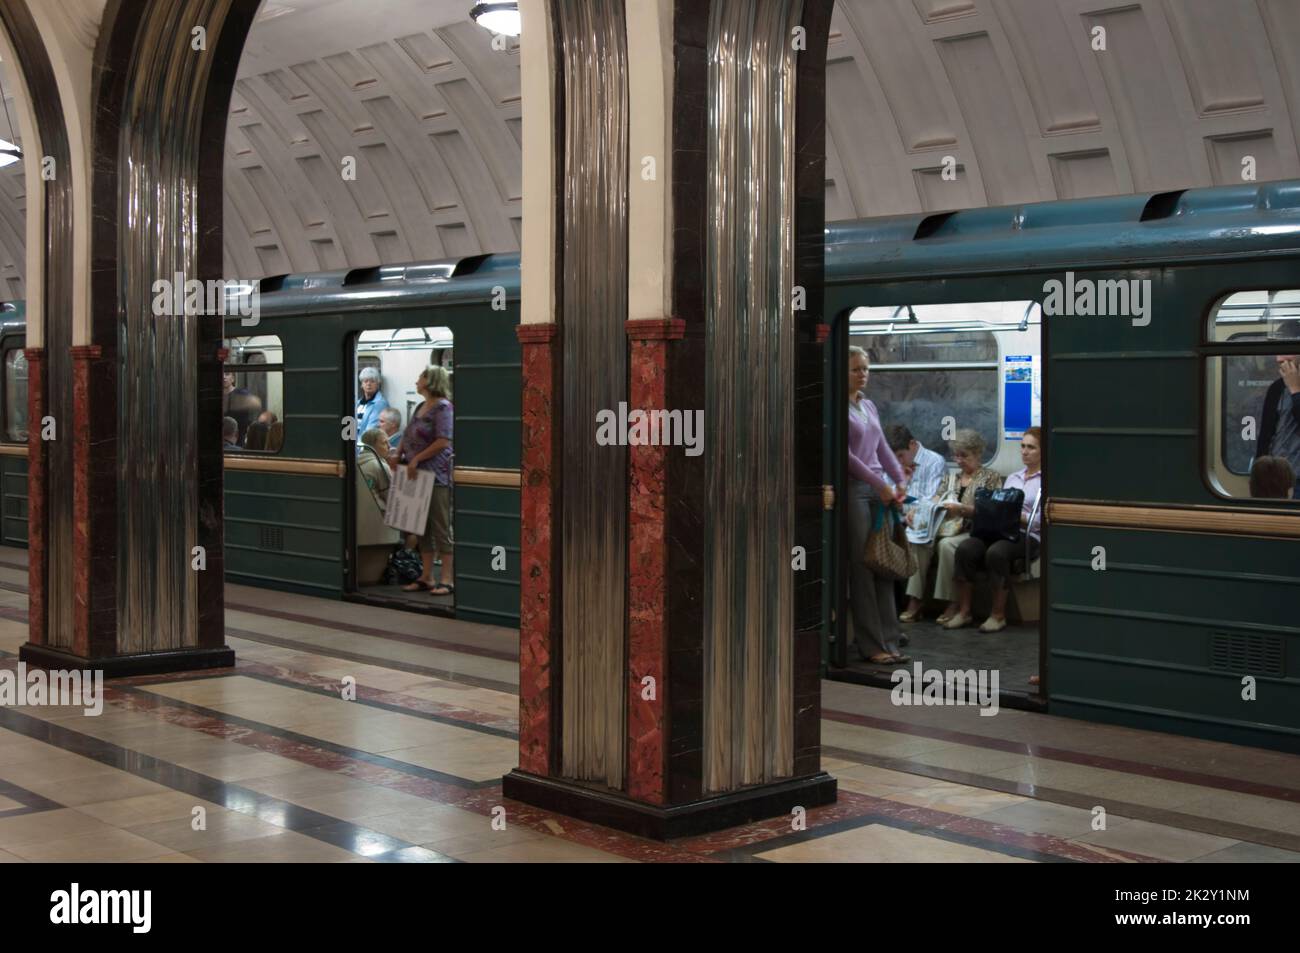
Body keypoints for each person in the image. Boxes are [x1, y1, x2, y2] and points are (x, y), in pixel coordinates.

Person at [845, 346, 909, 665]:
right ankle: (871, 645)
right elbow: (848, 457)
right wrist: (879, 483)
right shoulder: (836, 406)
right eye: (856, 369)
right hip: (857, 489)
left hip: (880, 490)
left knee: (884, 564)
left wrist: (899, 481)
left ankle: (891, 638)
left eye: (866, 369)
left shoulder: (868, 405)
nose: (863, 374)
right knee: (863, 566)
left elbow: (882, 446)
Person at [952, 426, 1043, 633]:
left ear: (1042, 451)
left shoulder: (1046, 481)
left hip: (1029, 534)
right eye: (1022, 446)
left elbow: (1041, 520)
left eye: (1031, 447)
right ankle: (964, 611)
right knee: (966, 548)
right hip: (1002, 529)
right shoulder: (1013, 478)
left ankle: (998, 615)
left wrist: (1016, 517)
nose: (1025, 451)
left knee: (996, 552)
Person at [391, 365, 455, 596]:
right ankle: (426, 576)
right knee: (422, 528)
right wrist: (398, 454)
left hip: (436, 474)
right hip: (414, 473)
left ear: (430, 381)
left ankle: (447, 579)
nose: (417, 380)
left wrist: (416, 458)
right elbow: (408, 434)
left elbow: (443, 441)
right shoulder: (420, 407)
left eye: (420, 377)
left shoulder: (443, 408)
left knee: (440, 527)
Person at [933, 429, 1003, 629]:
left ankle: (952, 603)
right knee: (920, 541)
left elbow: (991, 511)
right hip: (948, 527)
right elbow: (936, 499)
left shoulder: (990, 478)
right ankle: (915, 600)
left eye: (964, 455)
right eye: (956, 455)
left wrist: (962, 509)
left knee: (946, 546)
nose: (959, 460)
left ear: (978, 454)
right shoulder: (951, 479)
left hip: (974, 530)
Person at [887, 424, 948, 623]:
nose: (897, 462)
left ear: (913, 445)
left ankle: (915, 600)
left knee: (916, 539)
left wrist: (907, 507)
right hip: (897, 516)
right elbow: (887, 489)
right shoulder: (891, 461)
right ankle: (886, 602)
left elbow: (930, 500)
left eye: (901, 456)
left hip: (923, 521)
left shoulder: (934, 461)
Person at [1257, 327, 1300, 497]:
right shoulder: (1277, 388)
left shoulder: (1289, 385)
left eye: (1287, 352)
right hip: (1275, 478)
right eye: (1278, 352)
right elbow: (1266, 435)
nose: (1279, 359)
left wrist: (1295, 389)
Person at [223, 370, 261, 444]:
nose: (223, 377)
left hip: (238, 438)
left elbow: (256, 403)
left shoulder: (242, 393)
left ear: (233, 378)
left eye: (227, 374)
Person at [356, 367, 389, 451]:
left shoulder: (380, 404)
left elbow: (369, 433)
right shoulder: (358, 403)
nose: (368, 384)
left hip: (364, 448)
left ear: (378, 384)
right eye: (365, 381)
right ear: (361, 385)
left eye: (372, 381)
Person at [358, 428, 391, 506]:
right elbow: (390, 498)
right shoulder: (379, 466)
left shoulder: (357, 462)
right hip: (378, 513)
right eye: (384, 443)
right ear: (372, 446)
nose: (389, 446)